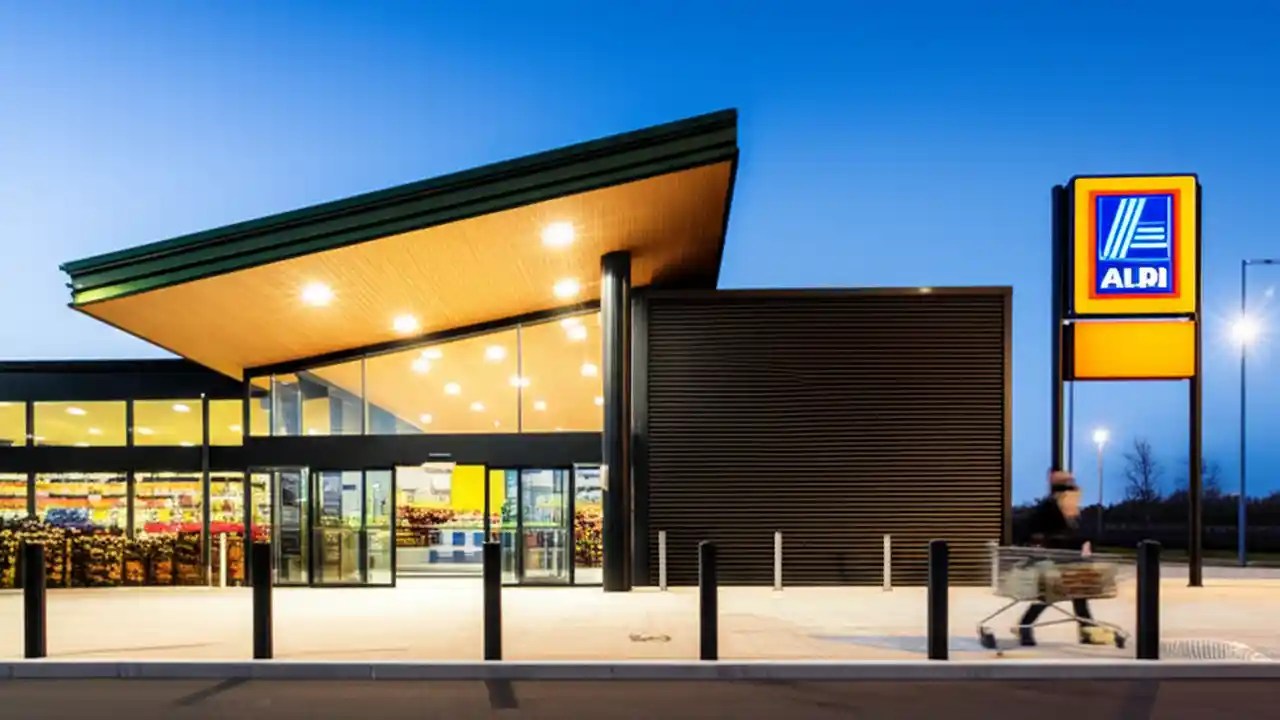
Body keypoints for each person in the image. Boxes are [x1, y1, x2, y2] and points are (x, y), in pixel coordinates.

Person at [1017, 470, 1103, 646]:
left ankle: (1086, 630)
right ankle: (1025, 625)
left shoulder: (1065, 510)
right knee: (1052, 596)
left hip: (1066, 561)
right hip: (1056, 562)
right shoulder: (1050, 508)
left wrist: (1085, 542)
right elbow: (1044, 533)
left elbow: (1073, 533)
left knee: (1077, 596)